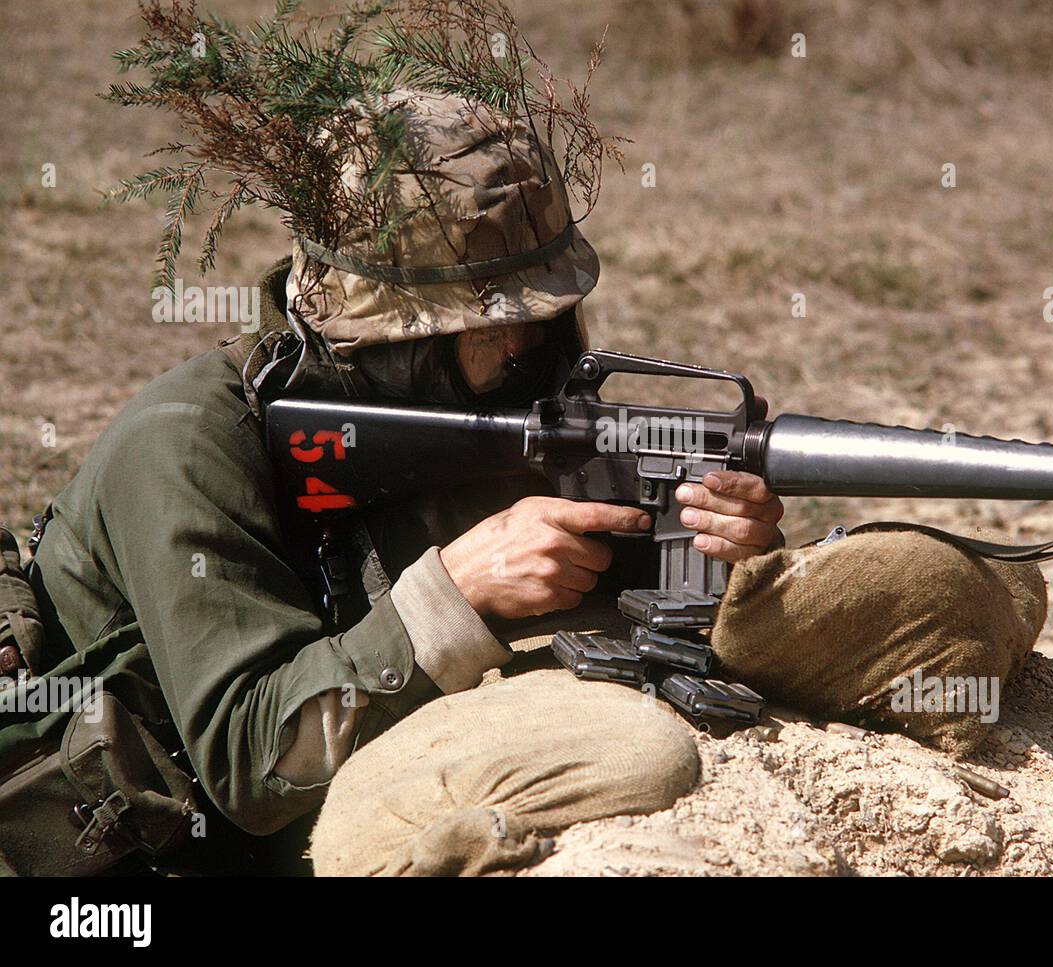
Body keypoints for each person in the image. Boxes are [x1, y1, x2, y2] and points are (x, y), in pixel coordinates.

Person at [17, 90, 784, 868]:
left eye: (544, 312)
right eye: (496, 322)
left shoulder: (439, 405)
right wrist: (456, 590)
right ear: (389, 334)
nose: (529, 345)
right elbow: (252, 765)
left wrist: (696, 544)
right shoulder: (186, 444)